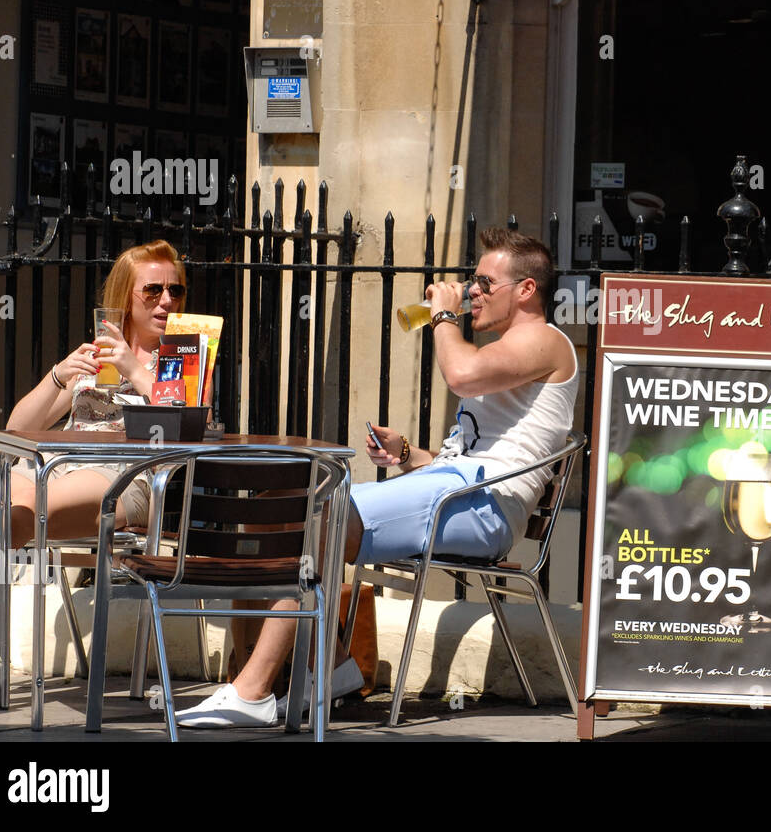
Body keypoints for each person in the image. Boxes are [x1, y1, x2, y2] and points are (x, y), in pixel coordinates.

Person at [178, 227, 578, 728]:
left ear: (526, 290)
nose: (472, 290)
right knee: (277, 504)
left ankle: (253, 691)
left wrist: (445, 316)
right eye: (471, 282)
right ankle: (333, 670)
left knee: (315, 522)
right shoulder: (506, 350)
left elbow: (462, 376)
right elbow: (467, 452)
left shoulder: (543, 340)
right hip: (460, 489)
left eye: (484, 282)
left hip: (484, 506)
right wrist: (409, 453)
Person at [0, 239, 188, 552]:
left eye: (175, 291)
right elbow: (13, 431)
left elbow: (190, 422)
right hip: (57, 462)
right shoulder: (98, 355)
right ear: (126, 296)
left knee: (25, 507)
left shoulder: (181, 355)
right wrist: (57, 376)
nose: (166, 300)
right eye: (153, 290)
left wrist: (136, 371)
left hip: (123, 473)